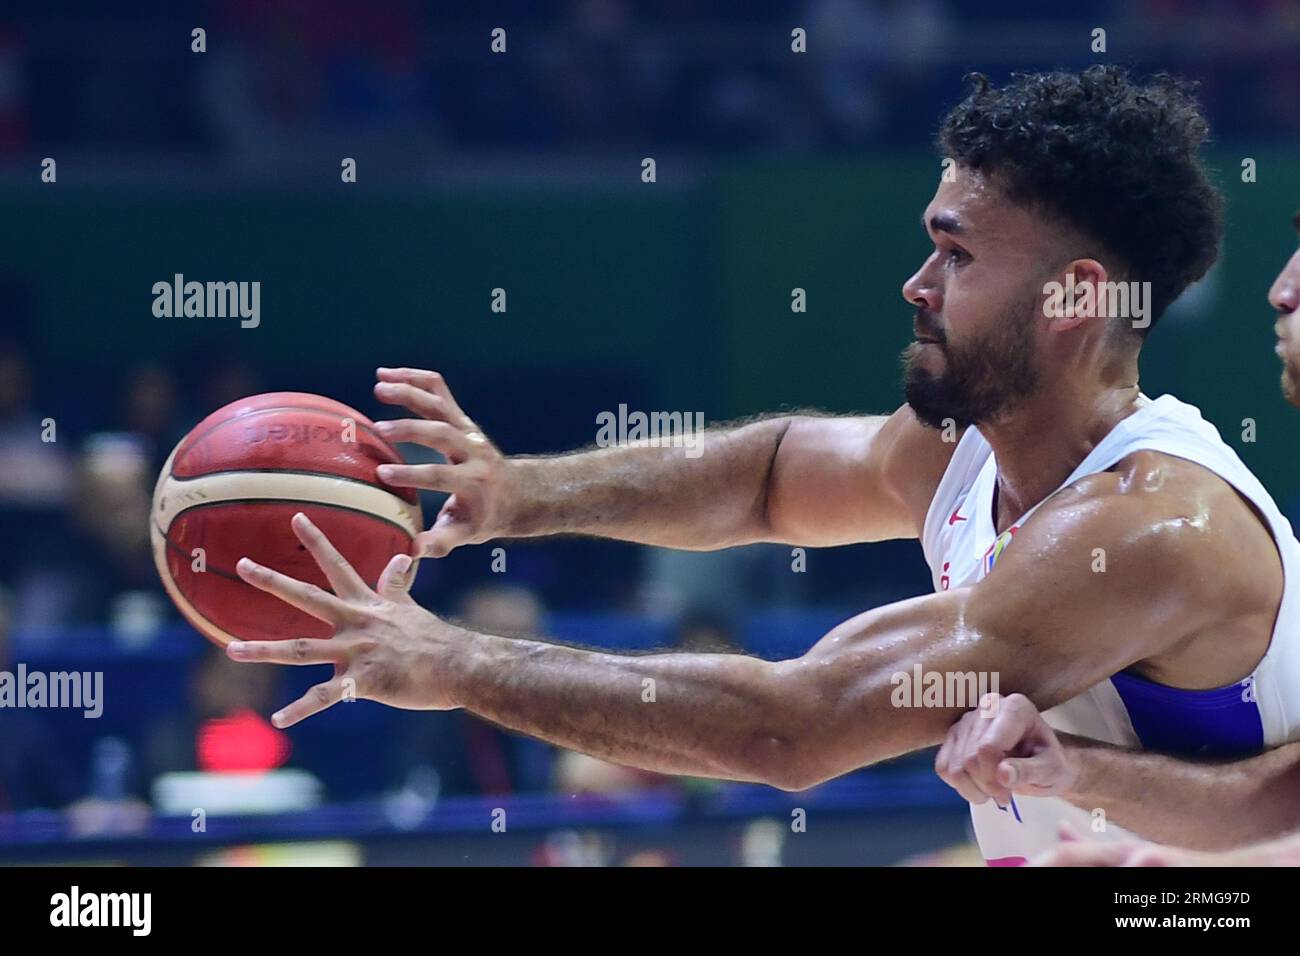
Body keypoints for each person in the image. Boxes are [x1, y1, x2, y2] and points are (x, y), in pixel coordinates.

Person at [226, 67, 1299, 865]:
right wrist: (519, 492)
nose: (916, 283)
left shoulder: (1147, 531)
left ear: (1073, 297)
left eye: (958, 253)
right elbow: (766, 474)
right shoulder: (963, 448)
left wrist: (452, 663)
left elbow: (795, 723)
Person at [933, 218, 1300, 865]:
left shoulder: (1171, 510)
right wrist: (1075, 771)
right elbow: (1277, 800)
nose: (1281, 289)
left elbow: (795, 728)